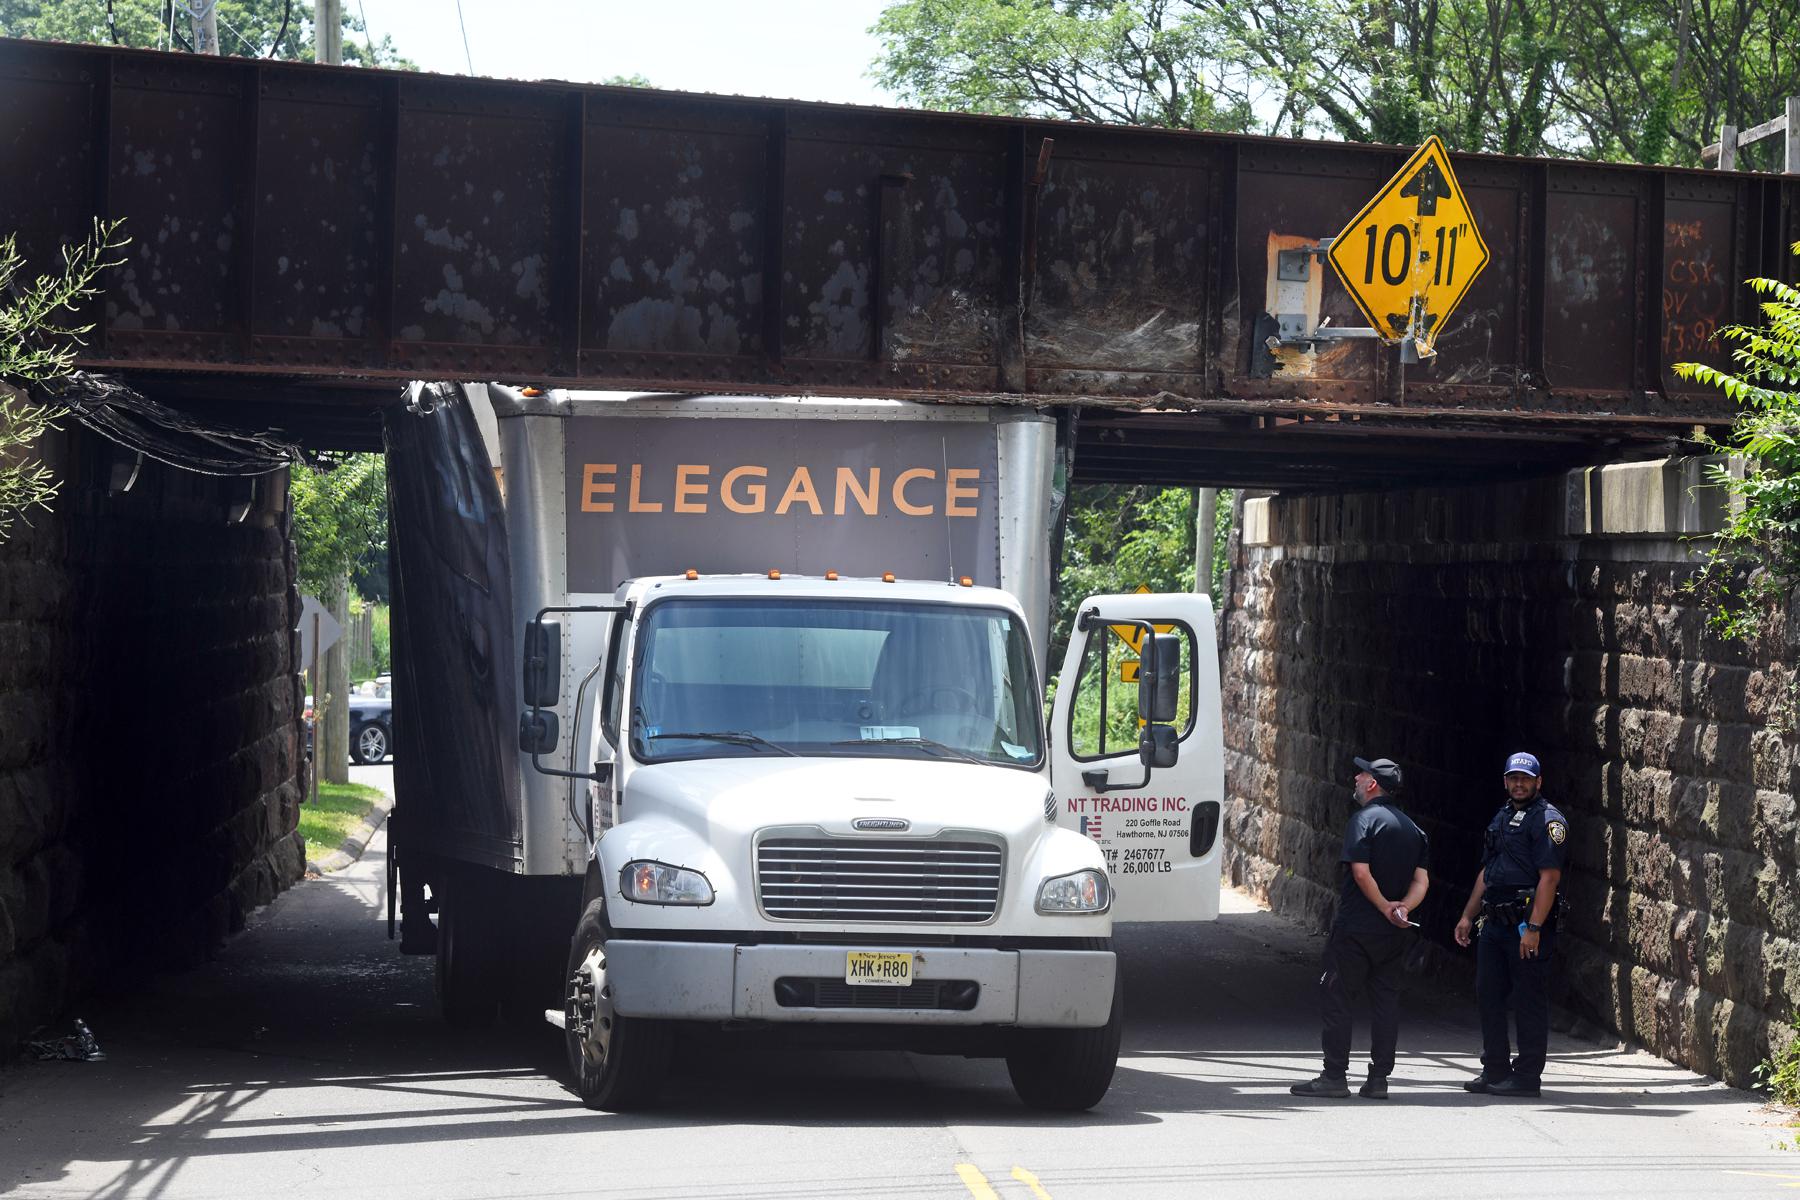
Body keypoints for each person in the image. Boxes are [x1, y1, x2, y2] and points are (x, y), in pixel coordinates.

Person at [1291, 756, 1430, 1100]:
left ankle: (1335, 1075)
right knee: (1386, 1003)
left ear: (1372, 784)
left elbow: (1360, 872)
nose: (1355, 776)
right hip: (1394, 933)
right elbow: (1422, 880)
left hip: (1356, 929)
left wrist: (1383, 905)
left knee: (1336, 996)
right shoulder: (1414, 830)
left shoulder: (1363, 821)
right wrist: (1402, 908)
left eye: (1362, 773)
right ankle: (1379, 1079)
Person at [1454, 751, 1569, 1098]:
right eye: (1513, 778)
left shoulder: (1549, 820)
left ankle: (1526, 1077)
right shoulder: (1502, 816)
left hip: (1526, 925)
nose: (1519, 784)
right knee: (1488, 995)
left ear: (1538, 781)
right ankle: (1495, 1070)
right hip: (1494, 923)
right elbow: (1488, 873)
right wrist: (1467, 915)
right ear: (1505, 781)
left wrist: (1533, 928)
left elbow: (1549, 879)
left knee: (1528, 1001)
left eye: (1526, 778)